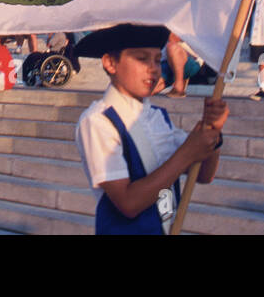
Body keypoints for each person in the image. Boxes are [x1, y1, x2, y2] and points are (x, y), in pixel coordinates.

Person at [74, 24, 227, 235]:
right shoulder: (98, 121)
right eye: (142, 59)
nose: (153, 69)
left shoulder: (157, 117)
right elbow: (128, 203)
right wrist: (186, 153)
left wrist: (213, 131)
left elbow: (202, 174)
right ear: (110, 63)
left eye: (157, 60)